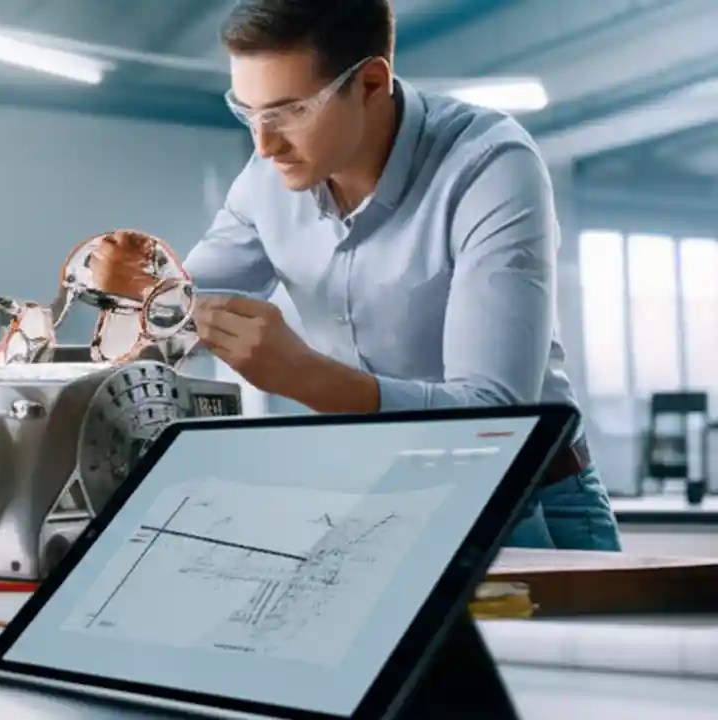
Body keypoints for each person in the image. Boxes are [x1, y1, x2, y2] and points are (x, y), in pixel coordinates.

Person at [184, 0, 622, 551]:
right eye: (248, 112)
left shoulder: (489, 164)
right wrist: (127, 286)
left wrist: (303, 377)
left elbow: (496, 416)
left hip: (526, 490)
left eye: (290, 111)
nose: (264, 144)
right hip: (385, 493)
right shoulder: (265, 179)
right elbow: (181, 305)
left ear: (370, 83)